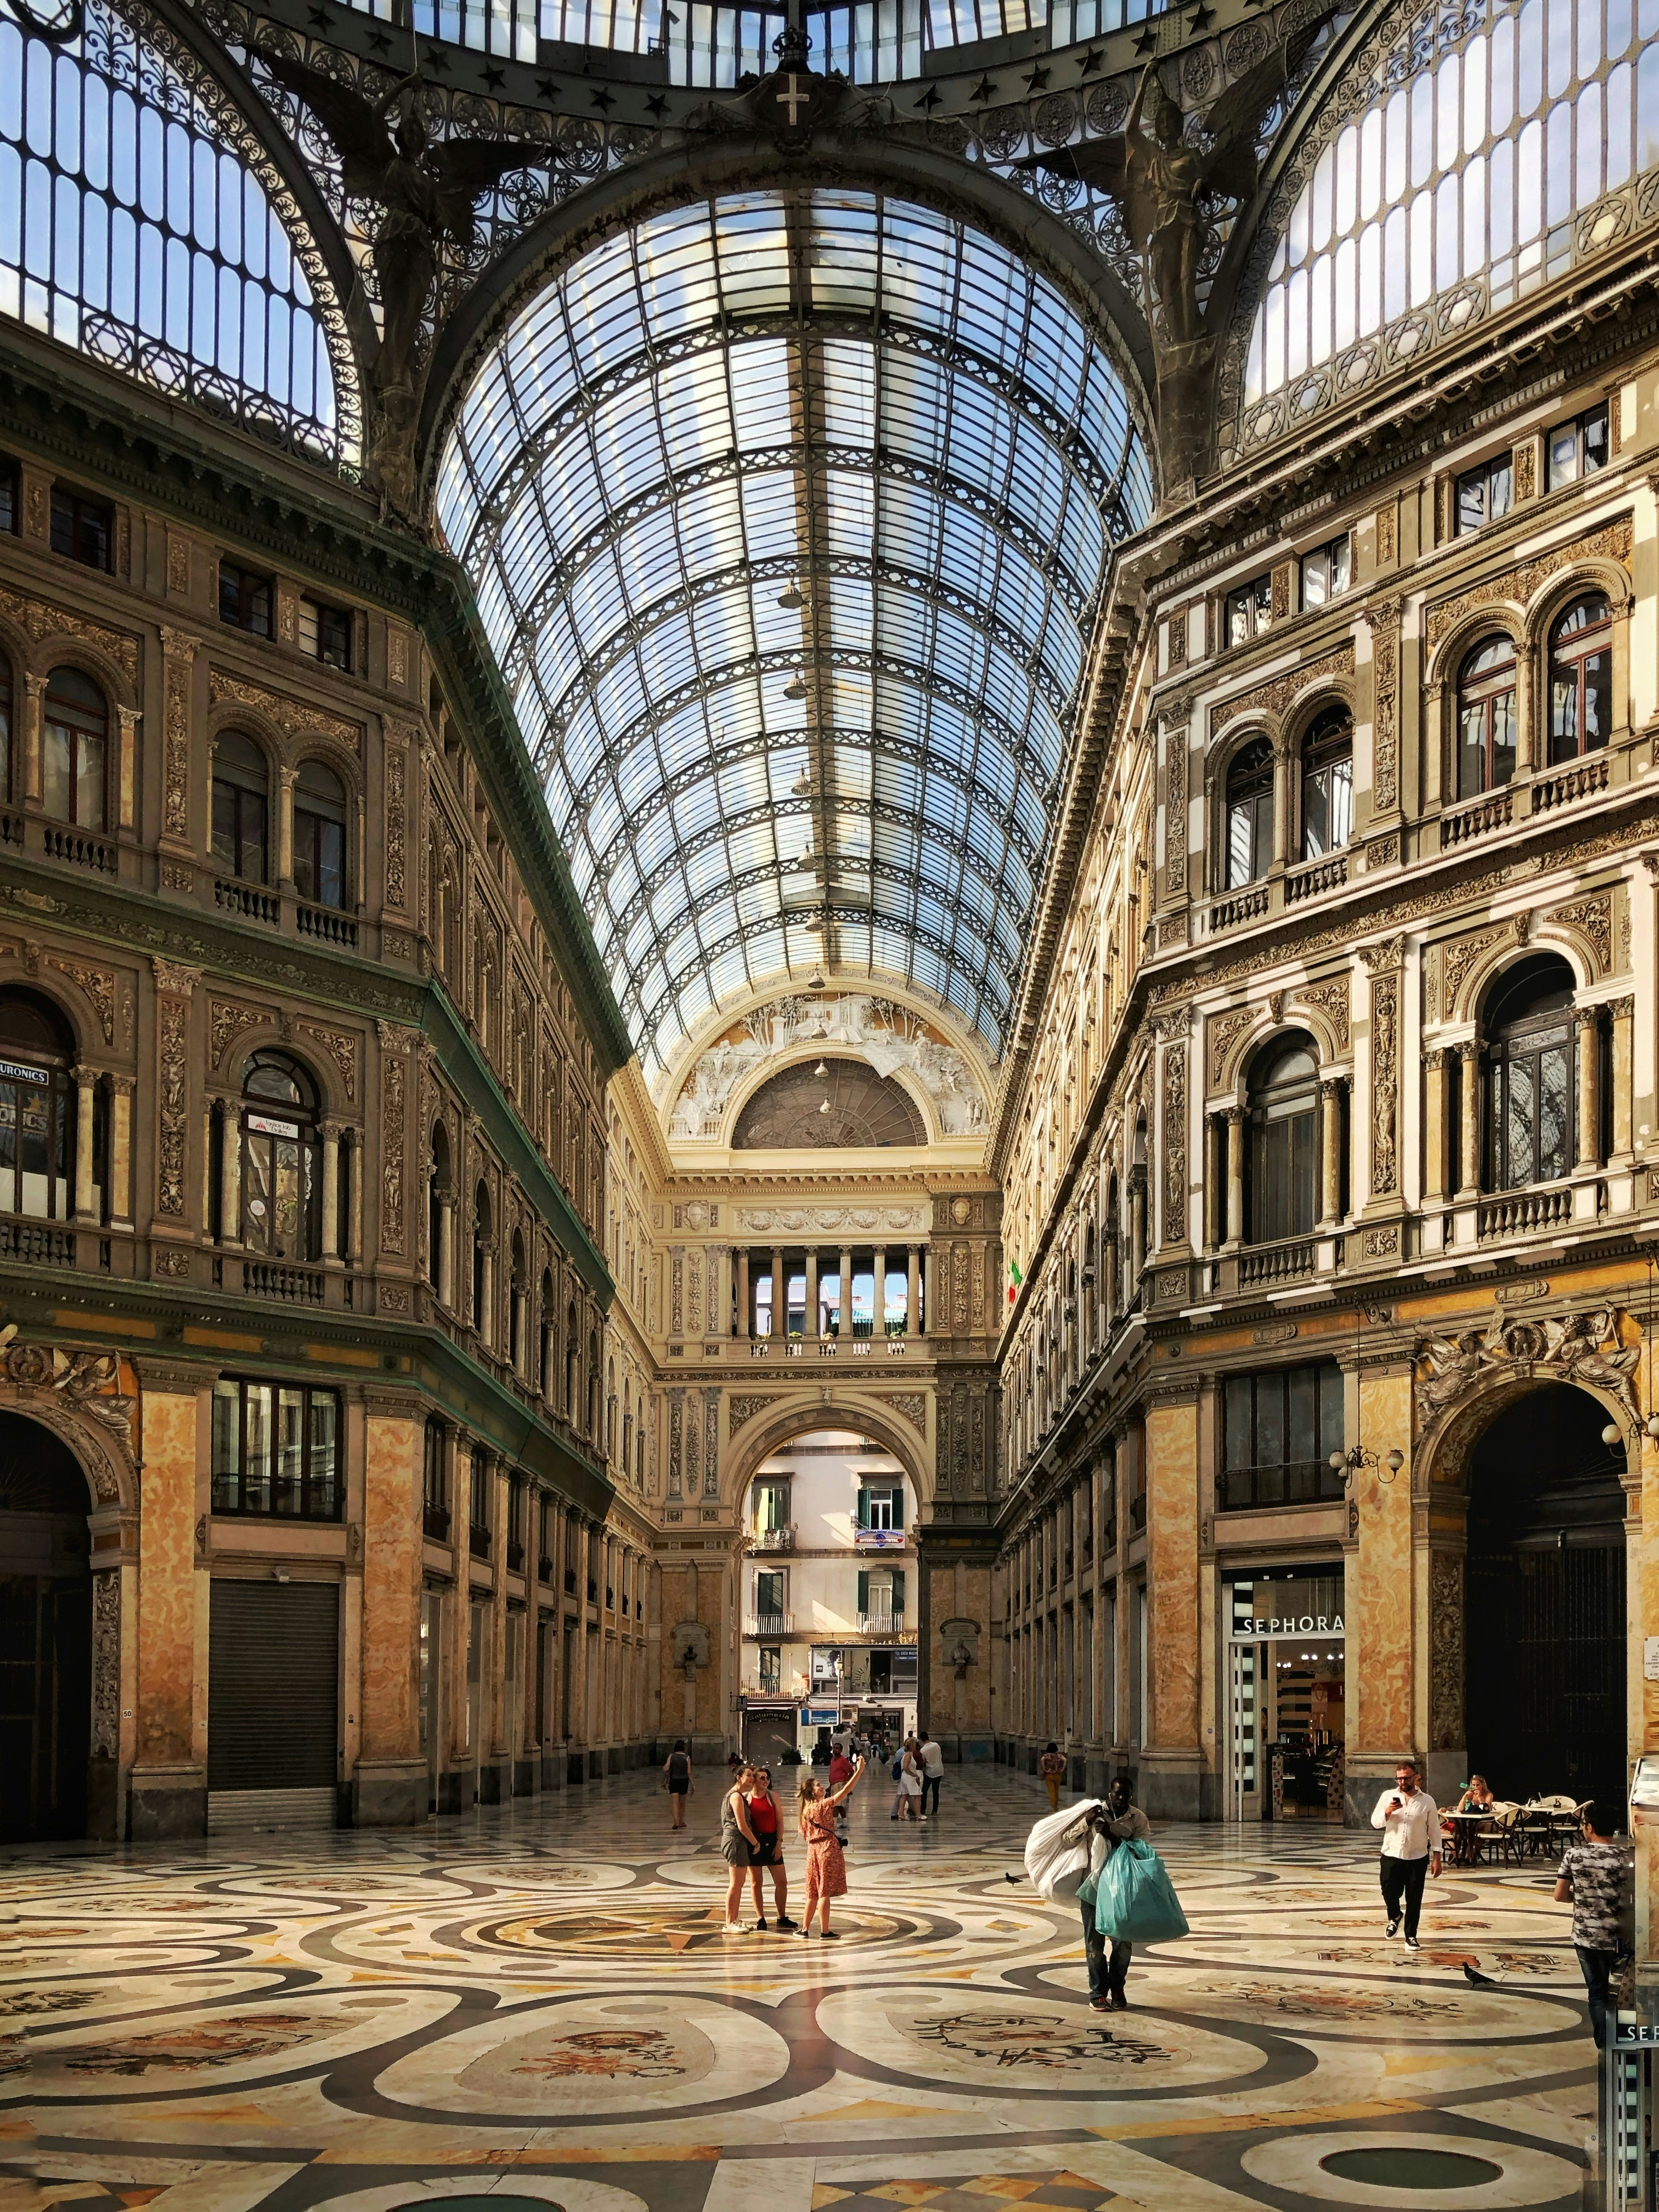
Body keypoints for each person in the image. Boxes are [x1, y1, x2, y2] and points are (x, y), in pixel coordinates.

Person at [1555, 1805, 1633, 2047]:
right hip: (1622, 1936)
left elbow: (1559, 1895)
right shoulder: (1628, 1857)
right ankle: (1624, 2039)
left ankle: (1603, 2042)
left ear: (1590, 1827)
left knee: (1597, 1992)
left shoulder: (1574, 1856)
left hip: (1586, 1936)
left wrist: (1583, 1900)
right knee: (1623, 1994)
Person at [1080, 1777, 1152, 2012]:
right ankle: (1098, 1992)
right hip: (1094, 1888)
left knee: (1123, 1944)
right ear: (1109, 1793)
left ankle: (1118, 1987)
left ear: (1131, 1796)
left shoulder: (1137, 1818)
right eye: (1117, 1794)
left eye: (1126, 1795)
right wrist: (1086, 1824)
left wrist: (1111, 1835)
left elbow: (1141, 1852)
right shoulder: (1092, 1812)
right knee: (1094, 1943)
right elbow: (1067, 1839)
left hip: (1122, 1889)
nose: (1120, 1798)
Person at [1370, 1757, 1442, 1948]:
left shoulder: (1427, 1801)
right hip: (1391, 1854)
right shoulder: (1387, 1796)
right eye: (1399, 1779)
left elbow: (1434, 1830)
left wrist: (1437, 1858)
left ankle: (1411, 1936)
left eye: (1407, 1778)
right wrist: (1387, 1812)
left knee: (1414, 1898)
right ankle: (1394, 1915)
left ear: (1415, 1777)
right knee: (1388, 1891)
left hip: (1417, 1857)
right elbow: (1375, 1822)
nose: (1403, 1782)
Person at [798, 1754, 866, 1935]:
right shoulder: (822, 1806)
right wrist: (859, 1771)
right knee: (824, 1892)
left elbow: (804, 1835)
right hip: (827, 1848)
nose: (822, 1788)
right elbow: (843, 1792)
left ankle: (804, 1929)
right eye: (818, 1786)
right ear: (813, 1792)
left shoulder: (804, 1811)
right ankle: (825, 1931)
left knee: (813, 1892)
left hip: (812, 1851)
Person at [744, 1768, 798, 1931]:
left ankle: (781, 1916)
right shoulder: (746, 1798)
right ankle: (760, 1918)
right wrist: (752, 1843)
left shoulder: (773, 1797)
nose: (765, 1781)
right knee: (756, 1883)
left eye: (767, 1778)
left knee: (782, 1882)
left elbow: (780, 1822)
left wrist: (779, 1844)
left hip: (771, 1841)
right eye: (762, 1778)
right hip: (753, 1842)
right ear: (754, 1780)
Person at [721, 1764, 760, 1933]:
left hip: (738, 1841)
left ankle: (735, 1919)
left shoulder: (738, 1795)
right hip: (736, 1840)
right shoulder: (736, 1796)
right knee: (736, 1884)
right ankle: (729, 1922)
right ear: (739, 1778)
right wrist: (755, 1843)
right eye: (749, 1775)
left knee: (740, 1882)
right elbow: (742, 1825)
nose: (753, 1778)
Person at [827, 1743, 855, 1844]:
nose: (835, 1750)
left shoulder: (843, 1760)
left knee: (835, 1805)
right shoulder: (832, 1760)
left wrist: (846, 1782)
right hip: (833, 1785)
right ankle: (844, 1822)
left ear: (841, 1750)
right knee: (839, 1806)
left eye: (838, 1748)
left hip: (840, 1784)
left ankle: (833, 1824)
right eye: (834, 1748)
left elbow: (851, 1772)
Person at [663, 1739, 693, 1831]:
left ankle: (676, 1822)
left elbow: (666, 1768)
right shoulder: (687, 1757)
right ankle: (681, 1821)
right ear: (684, 1748)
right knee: (682, 1803)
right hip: (684, 1781)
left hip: (674, 1781)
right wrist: (693, 1783)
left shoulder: (672, 1756)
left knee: (675, 1803)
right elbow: (689, 1772)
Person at [898, 1736, 924, 1821]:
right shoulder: (908, 1755)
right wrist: (914, 1775)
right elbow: (906, 1767)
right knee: (917, 1795)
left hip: (905, 1777)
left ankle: (901, 1814)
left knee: (904, 1795)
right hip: (909, 1777)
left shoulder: (908, 1755)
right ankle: (919, 1814)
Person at [920, 1731, 945, 1820]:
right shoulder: (936, 1745)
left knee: (924, 1790)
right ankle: (935, 1810)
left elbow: (923, 1762)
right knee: (936, 1790)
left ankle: (923, 1809)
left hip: (929, 1772)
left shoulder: (923, 1750)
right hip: (939, 1770)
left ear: (921, 1739)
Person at [1040, 1742, 1066, 1812]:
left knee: (1051, 1791)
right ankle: (1056, 1806)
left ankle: (1053, 1807)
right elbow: (1065, 1760)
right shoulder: (1059, 1755)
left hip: (1049, 1775)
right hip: (1058, 1774)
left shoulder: (1046, 1755)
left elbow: (1042, 1760)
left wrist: (1044, 1768)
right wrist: (1062, 1769)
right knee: (1056, 1791)